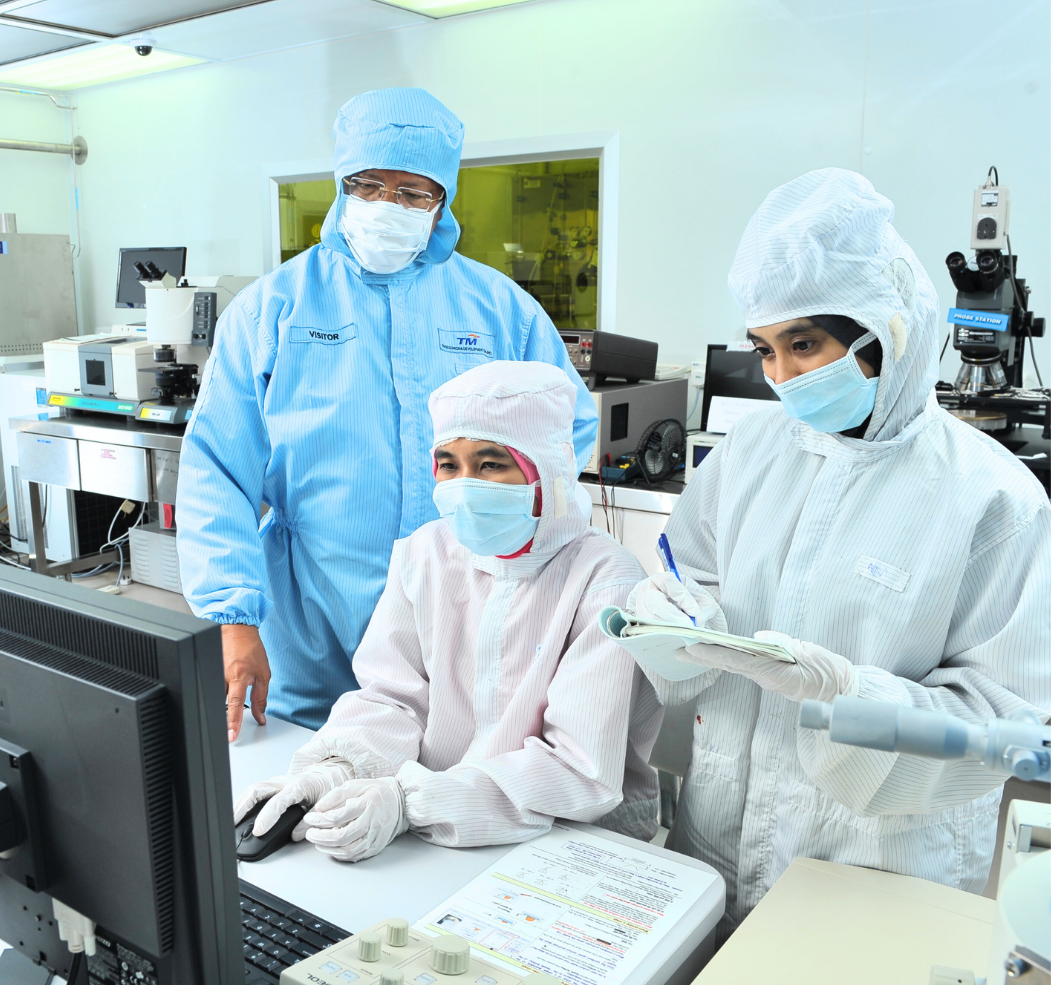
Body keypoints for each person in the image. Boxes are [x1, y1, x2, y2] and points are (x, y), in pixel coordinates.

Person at [628, 168, 1050, 940]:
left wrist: (846, 693)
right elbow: (687, 577)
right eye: (766, 350)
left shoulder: (994, 499)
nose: (783, 378)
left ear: (886, 330)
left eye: (805, 345)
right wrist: (668, 618)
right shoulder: (748, 451)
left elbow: (1009, 732)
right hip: (714, 840)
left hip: (873, 865)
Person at [176, 88, 598, 738]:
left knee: (455, 773)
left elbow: (567, 433)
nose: (387, 207)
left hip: (468, 607)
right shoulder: (274, 310)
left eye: (411, 192)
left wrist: (521, 552)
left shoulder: (499, 310)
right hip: (313, 613)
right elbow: (216, 472)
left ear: (441, 201)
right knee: (309, 788)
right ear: (342, 188)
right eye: (368, 185)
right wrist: (236, 620)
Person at [233, 361, 661, 860]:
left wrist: (412, 803)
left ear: (547, 470)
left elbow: (577, 769)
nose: (464, 485)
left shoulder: (603, 580)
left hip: (569, 845)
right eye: (448, 465)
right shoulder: (427, 552)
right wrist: (337, 769)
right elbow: (393, 697)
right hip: (437, 835)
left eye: (490, 464)